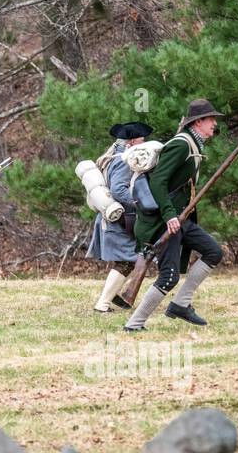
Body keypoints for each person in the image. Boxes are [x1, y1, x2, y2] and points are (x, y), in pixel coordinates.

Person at [123, 99, 226, 332]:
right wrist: (170, 215)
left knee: (213, 251)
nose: (214, 123)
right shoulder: (182, 145)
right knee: (169, 276)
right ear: (198, 122)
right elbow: (159, 181)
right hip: (164, 221)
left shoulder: (195, 145)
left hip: (181, 219)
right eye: (211, 119)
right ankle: (134, 324)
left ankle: (180, 304)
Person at [86, 121, 152, 312]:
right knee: (128, 260)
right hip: (119, 219)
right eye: (141, 140)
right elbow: (118, 190)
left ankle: (111, 295)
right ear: (131, 142)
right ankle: (103, 303)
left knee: (126, 261)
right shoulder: (124, 160)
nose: (144, 143)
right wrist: (141, 203)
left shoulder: (114, 156)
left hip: (115, 218)